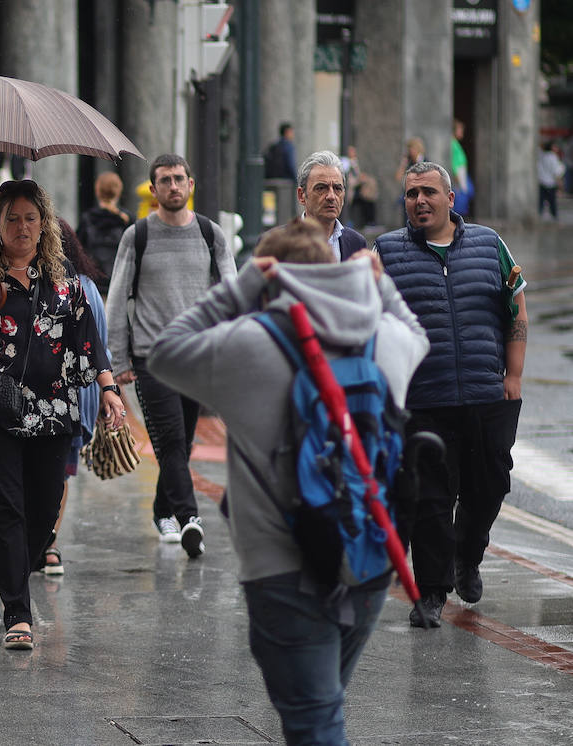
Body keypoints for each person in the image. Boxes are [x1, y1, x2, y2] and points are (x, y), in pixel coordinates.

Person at [147, 219, 429, 746]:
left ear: (270, 279)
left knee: (315, 724)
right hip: (367, 560)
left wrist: (242, 283)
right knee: (323, 709)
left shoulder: (247, 344)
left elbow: (163, 351)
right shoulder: (385, 338)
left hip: (280, 572)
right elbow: (417, 333)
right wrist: (377, 280)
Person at [0, 179, 124, 649]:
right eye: (11, 218)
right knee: (6, 507)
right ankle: (17, 613)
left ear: (44, 225)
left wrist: (108, 389)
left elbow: (89, 340)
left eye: (30, 218)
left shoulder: (62, 278)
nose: (22, 227)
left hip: (52, 409)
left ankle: (17, 571)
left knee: (42, 512)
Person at [377, 161, 528, 628]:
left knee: (490, 486)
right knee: (431, 498)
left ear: (450, 198)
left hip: (489, 395)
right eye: (411, 194)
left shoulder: (489, 244)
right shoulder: (386, 252)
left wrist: (514, 376)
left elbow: (516, 306)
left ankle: (468, 555)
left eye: (428, 193)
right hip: (424, 400)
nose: (419, 201)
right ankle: (432, 592)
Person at [105, 154, 236, 556]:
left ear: (191, 184)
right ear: (154, 188)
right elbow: (116, 300)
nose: (174, 186)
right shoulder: (137, 235)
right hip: (151, 357)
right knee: (173, 438)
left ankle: (163, 509)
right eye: (165, 180)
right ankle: (189, 517)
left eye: (180, 178)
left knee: (180, 443)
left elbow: (233, 293)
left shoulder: (211, 233)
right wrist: (119, 361)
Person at [37, 217, 112, 576]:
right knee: (58, 477)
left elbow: (98, 349)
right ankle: (48, 544)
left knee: (46, 474)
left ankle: (42, 542)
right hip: (79, 401)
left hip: (63, 399)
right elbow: (103, 350)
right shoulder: (89, 287)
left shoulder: (74, 288)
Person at [296, 150, 366, 260]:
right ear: (301, 195)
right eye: (321, 188)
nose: (331, 196)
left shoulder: (356, 243)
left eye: (337, 188)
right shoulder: (277, 244)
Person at [76, 171, 132, 297]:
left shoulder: (88, 218)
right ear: (119, 191)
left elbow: (77, 251)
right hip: (120, 285)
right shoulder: (127, 220)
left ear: (97, 191)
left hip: (94, 285)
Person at [342, 145, 379, 229]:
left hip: (359, 188)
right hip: (350, 189)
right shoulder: (345, 162)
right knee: (367, 196)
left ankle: (370, 222)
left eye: (353, 151)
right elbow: (349, 177)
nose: (352, 153)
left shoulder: (357, 162)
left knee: (369, 196)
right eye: (350, 151)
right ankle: (370, 221)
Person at [537, 140, 564, 220]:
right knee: (552, 202)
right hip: (550, 184)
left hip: (541, 182)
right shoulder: (553, 157)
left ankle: (539, 215)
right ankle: (555, 217)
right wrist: (560, 185)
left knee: (540, 202)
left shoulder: (542, 155)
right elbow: (556, 173)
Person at [451, 120, 473, 216]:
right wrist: (457, 176)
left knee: (468, 194)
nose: (462, 132)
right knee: (461, 198)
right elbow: (454, 161)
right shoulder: (453, 144)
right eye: (460, 130)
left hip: (462, 173)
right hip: (459, 174)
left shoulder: (456, 143)